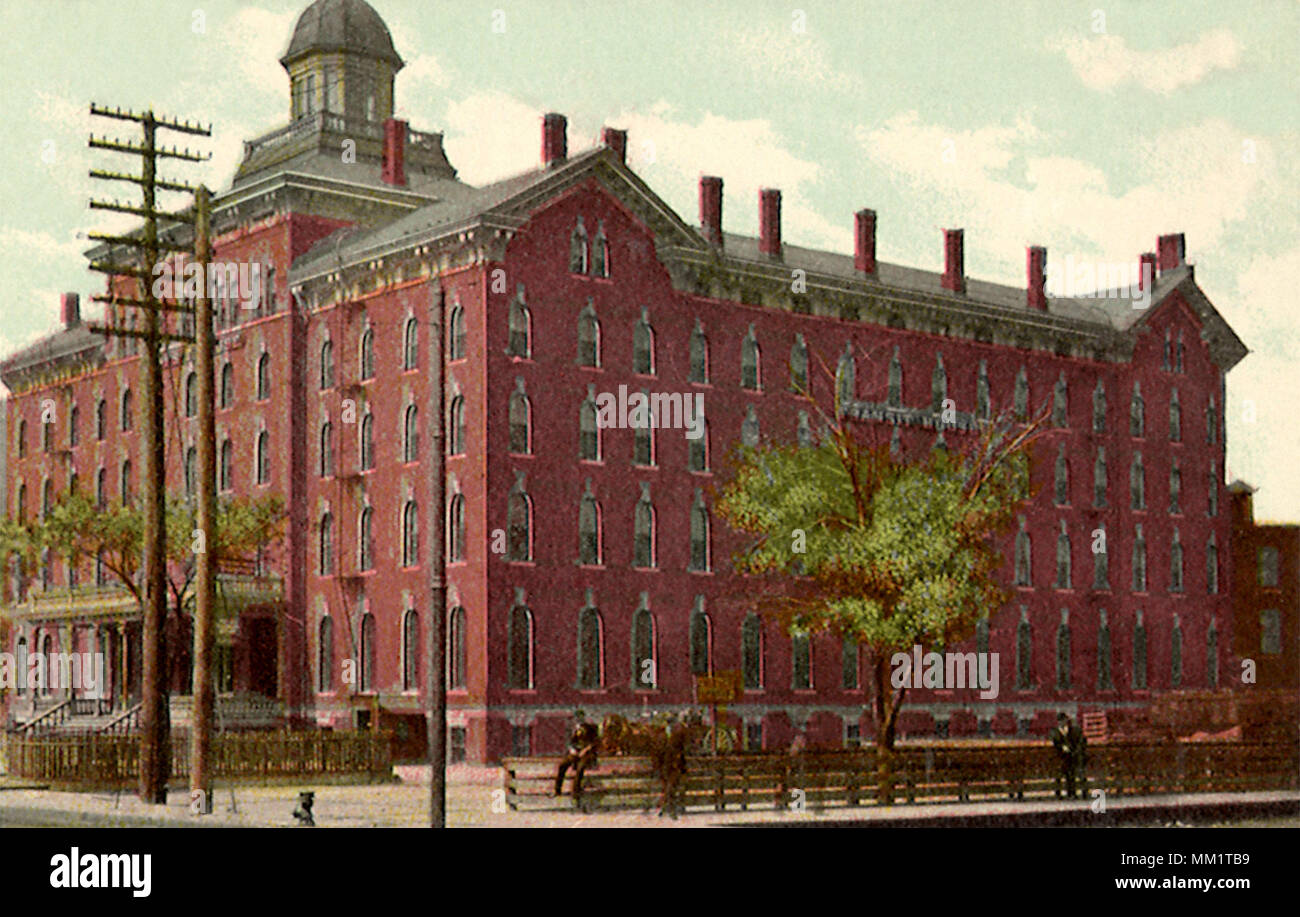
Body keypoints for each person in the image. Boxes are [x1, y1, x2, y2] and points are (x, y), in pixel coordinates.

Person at [553, 710, 600, 806]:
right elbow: (570, 743)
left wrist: (585, 750)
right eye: (577, 718)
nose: (579, 720)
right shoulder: (572, 729)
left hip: (587, 753)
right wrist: (572, 750)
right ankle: (557, 790)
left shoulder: (590, 728)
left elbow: (594, 742)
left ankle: (575, 793)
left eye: (581, 717)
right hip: (576, 753)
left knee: (580, 768)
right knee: (562, 765)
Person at [657, 717, 690, 819]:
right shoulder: (663, 736)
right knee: (669, 788)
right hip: (667, 766)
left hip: (675, 765)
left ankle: (668, 809)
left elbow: (683, 749)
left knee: (670, 788)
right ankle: (667, 808)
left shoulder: (677, 735)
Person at [1051, 713, 1087, 799]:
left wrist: (1074, 751)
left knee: (1073, 773)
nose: (1062, 723)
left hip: (1074, 757)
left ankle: (1073, 793)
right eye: (1060, 721)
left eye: (1064, 720)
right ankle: (1062, 793)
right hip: (1061, 758)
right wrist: (1062, 747)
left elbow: (1081, 742)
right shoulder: (1054, 732)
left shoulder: (1075, 730)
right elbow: (1055, 743)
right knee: (1064, 772)